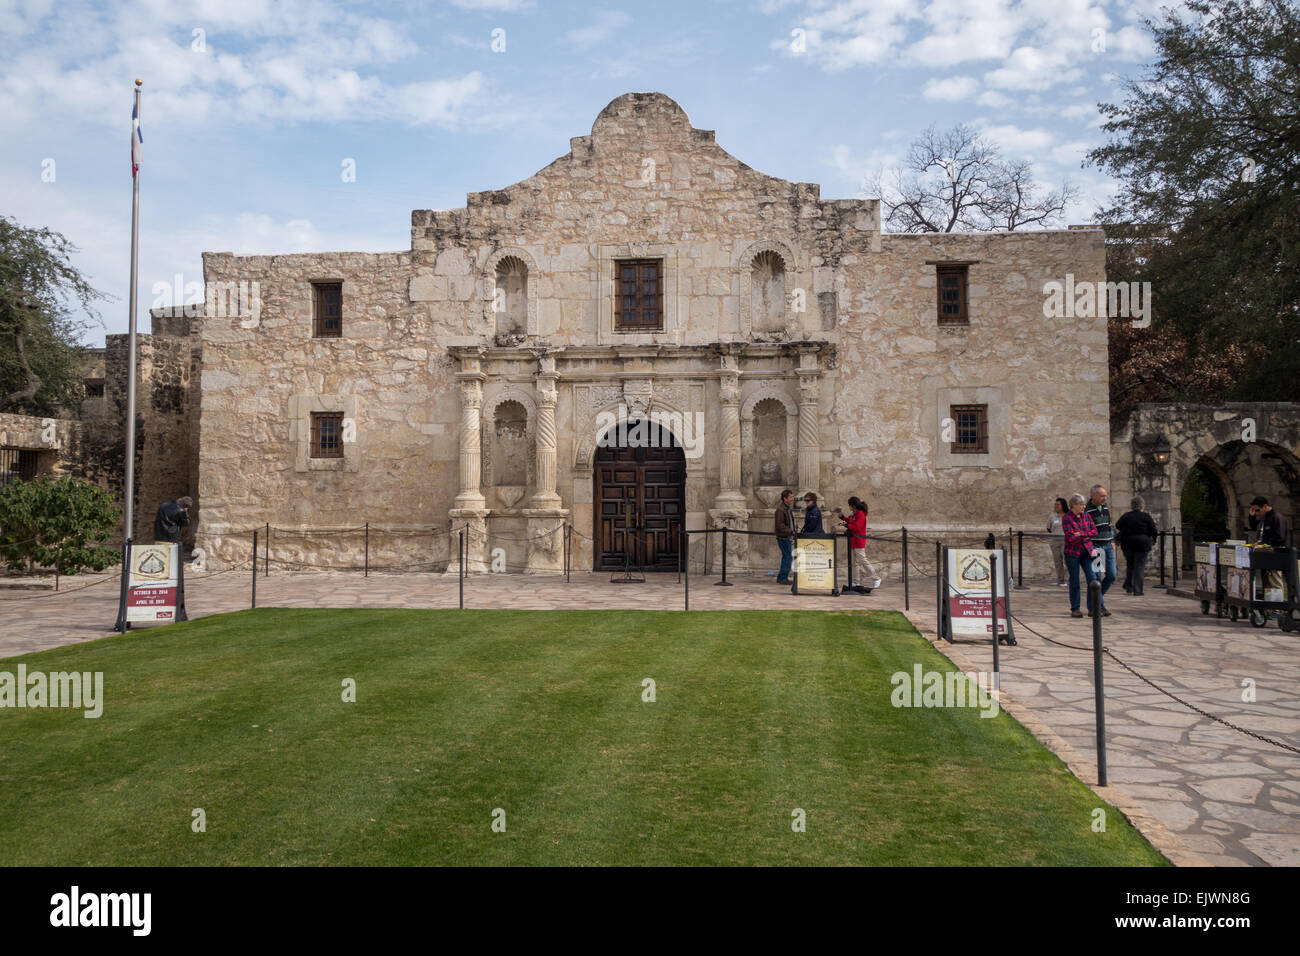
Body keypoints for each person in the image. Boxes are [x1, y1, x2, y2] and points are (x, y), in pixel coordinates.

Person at [1061, 493, 1101, 618]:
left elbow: (1094, 532)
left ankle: (1092, 608)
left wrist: (1081, 534)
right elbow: (1071, 537)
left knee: (1092, 578)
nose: (1084, 507)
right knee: (1075, 580)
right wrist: (1085, 535)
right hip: (1072, 553)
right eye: (1081, 505)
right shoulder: (1067, 518)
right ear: (1073, 505)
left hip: (1087, 552)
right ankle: (1075, 608)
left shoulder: (1087, 516)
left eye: (1084, 504)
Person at [1115, 496, 1158, 596]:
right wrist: (1154, 539)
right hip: (1142, 543)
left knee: (1130, 565)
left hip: (1128, 543)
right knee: (1139, 566)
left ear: (1132, 505)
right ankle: (1138, 590)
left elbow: (1118, 525)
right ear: (1142, 506)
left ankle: (1129, 587)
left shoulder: (1127, 516)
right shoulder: (1146, 516)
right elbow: (1153, 530)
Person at [1084, 484, 1116, 614]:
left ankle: (1096, 599)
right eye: (1102, 496)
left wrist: (1112, 539)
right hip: (1096, 548)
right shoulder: (1087, 511)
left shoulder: (1105, 507)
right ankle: (1097, 607)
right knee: (1096, 578)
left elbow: (1109, 525)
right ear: (1094, 496)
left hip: (1108, 546)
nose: (1105, 498)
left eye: (1105, 495)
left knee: (1112, 575)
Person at [837, 496, 880, 593]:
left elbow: (857, 527)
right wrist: (842, 517)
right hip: (853, 541)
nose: (849, 507)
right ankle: (855, 582)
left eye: (849, 505)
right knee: (854, 563)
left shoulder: (860, 514)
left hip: (859, 541)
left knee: (863, 560)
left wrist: (846, 525)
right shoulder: (854, 514)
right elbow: (849, 520)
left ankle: (876, 578)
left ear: (853, 505)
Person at [1250, 496, 1290, 595]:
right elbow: (1255, 527)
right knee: (1266, 582)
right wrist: (1252, 516)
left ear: (1265, 506)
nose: (1257, 513)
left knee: (1275, 581)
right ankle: (1269, 605)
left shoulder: (1276, 517)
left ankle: (1278, 608)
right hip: (1266, 554)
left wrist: (1263, 543)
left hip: (1274, 555)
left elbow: (1280, 538)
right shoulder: (1265, 518)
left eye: (1258, 510)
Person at [774, 489, 794, 584]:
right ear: (784, 499)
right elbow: (780, 525)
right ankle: (782, 578)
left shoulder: (787, 508)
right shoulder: (781, 509)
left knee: (787, 557)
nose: (792, 499)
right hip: (783, 537)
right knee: (787, 557)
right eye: (790, 497)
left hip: (787, 536)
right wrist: (791, 531)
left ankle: (782, 577)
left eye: (792, 497)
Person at [1048, 497, 1068, 587]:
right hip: (1054, 542)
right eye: (1055, 504)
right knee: (1057, 562)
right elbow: (1048, 528)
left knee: (1067, 561)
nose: (1056, 506)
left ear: (1063, 505)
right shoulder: (1052, 516)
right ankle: (1060, 580)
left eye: (1058, 504)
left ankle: (1070, 580)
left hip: (1066, 542)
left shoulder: (1068, 515)